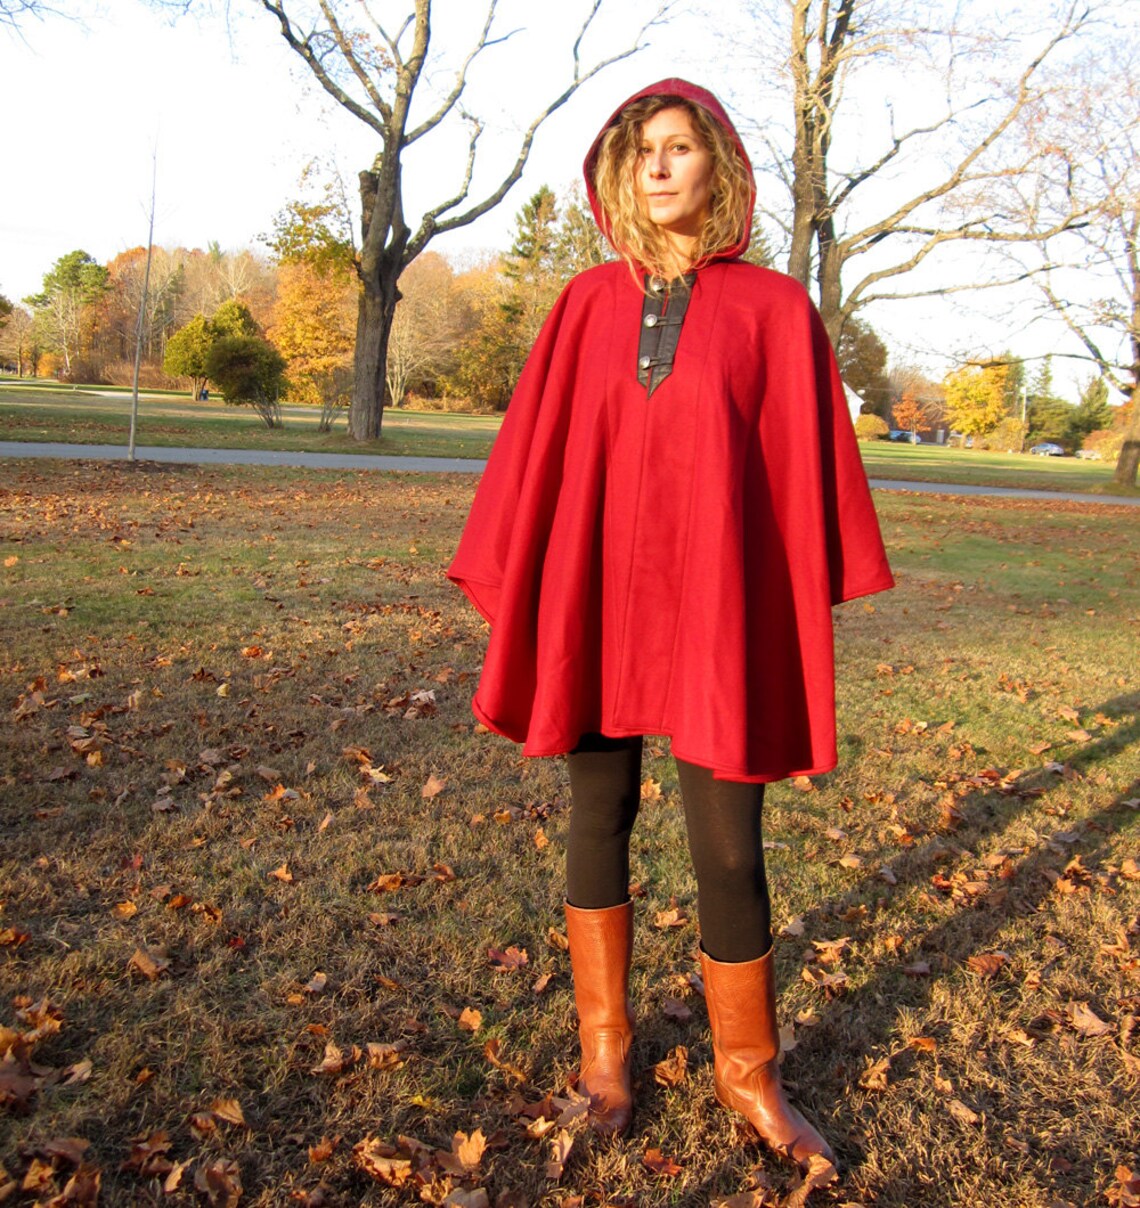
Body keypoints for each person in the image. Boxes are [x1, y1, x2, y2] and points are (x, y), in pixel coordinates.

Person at [448, 80, 894, 1167]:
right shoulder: (585, 306)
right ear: (620, 167)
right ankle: (606, 1054)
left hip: (715, 618)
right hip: (599, 609)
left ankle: (751, 1074)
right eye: (641, 148)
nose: (657, 166)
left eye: (679, 146)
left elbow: (792, 478)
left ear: (717, 167)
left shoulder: (776, 311)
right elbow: (544, 462)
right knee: (596, 816)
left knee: (729, 854)